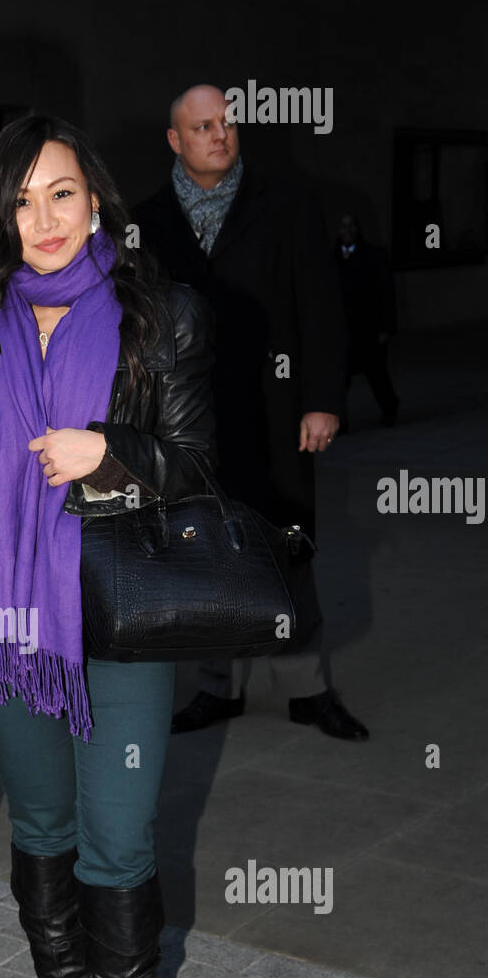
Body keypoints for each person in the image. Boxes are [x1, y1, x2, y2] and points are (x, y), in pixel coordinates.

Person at [0, 114, 215, 978]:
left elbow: (196, 465)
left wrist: (109, 452)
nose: (40, 220)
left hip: (118, 615)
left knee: (118, 840)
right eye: (17, 201)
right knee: (42, 831)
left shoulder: (161, 313)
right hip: (5, 621)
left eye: (58, 192)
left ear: (97, 196)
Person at [134, 85, 369, 741]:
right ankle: (218, 685)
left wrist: (322, 399)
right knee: (205, 552)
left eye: (228, 124)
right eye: (202, 126)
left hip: (275, 409)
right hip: (188, 422)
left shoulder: (288, 206)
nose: (220, 135)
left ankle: (305, 687)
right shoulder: (145, 219)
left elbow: (322, 309)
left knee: (285, 546)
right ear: (175, 141)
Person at [335, 213, 399, 428]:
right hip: (344, 330)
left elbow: (386, 294)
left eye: (352, 226)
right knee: (340, 378)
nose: (348, 231)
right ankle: (340, 420)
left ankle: (390, 409)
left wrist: (386, 327)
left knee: (377, 373)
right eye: (344, 227)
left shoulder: (373, 257)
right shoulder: (331, 259)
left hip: (368, 328)